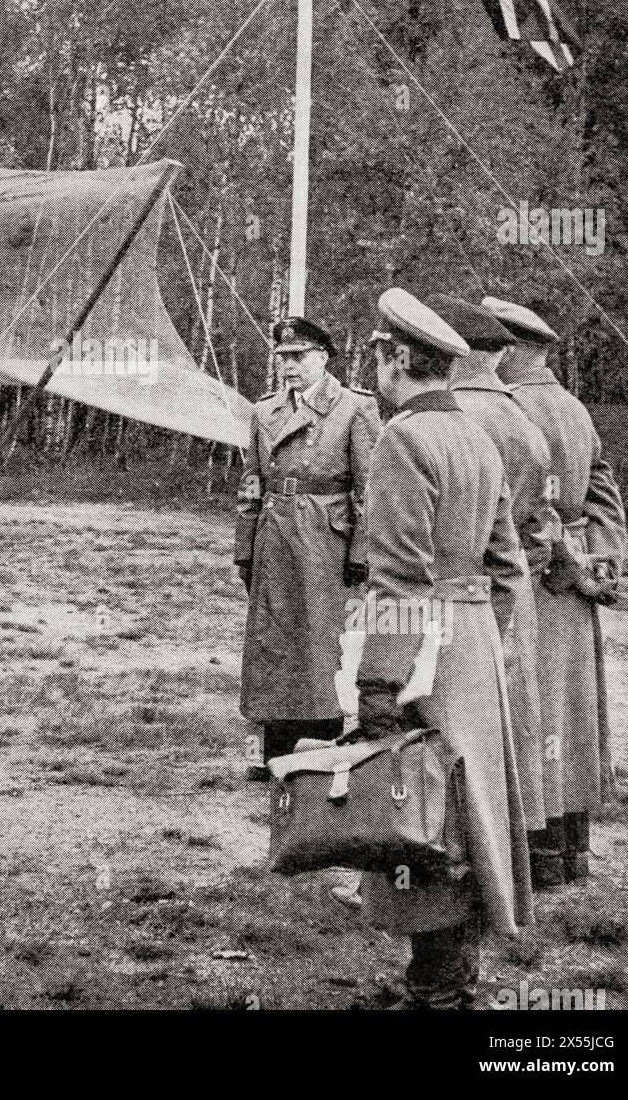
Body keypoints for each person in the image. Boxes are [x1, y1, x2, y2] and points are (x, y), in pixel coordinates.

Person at [356, 288, 532, 1009]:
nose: (375, 373)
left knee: (422, 810)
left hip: (423, 648)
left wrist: (379, 681)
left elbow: (398, 577)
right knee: (468, 813)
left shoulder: (403, 439)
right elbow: (509, 567)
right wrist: (487, 643)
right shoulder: (478, 436)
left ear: (398, 358)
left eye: (378, 357)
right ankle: (450, 979)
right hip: (473, 645)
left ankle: (435, 990)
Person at [483, 296, 626, 887]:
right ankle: (572, 853)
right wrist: (597, 562)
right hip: (572, 586)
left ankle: (539, 859)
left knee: (533, 713)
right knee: (572, 714)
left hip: (530, 577)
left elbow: (522, 509)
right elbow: (604, 496)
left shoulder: (509, 410)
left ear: (512, 350)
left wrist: (557, 557)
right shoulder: (573, 408)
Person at [424, 295, 551, 847]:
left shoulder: (444, 418)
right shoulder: (524, 420)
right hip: (506, 589)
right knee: (503, 732)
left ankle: (439, 851)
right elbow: (537, 525)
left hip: (447, 593)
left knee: (441, 735)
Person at [235, 317, 381, 779]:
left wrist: (361, 552)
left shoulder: (354, 409)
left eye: (298, 357)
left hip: (325, 540)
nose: (289, 367)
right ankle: (273, 749)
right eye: (283, 358)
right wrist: (245, 545)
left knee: (321, 644)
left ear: (323, 357)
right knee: (273, 642)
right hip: (275, 533)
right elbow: (252, 482)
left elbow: (370, 490)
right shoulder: (265, 411)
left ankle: (320, 751)